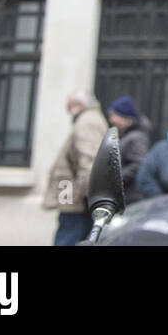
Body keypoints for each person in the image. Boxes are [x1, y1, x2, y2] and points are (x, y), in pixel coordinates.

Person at [42, 91, 107, 246]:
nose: (69, 111)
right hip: (75, 194)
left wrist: (82, 194)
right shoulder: (90, 120)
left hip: (75, 196)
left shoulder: (87, 122)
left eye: (70, 106)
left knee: (68, 236)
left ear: (79, 105)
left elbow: (89, 162)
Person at [107, 96, 153, 200]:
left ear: (123, 116)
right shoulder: (127, 136)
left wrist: (114, 179)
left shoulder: (136, 138)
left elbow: (138, 164)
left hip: (130, 197)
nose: (111, 120)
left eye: (113, 115)